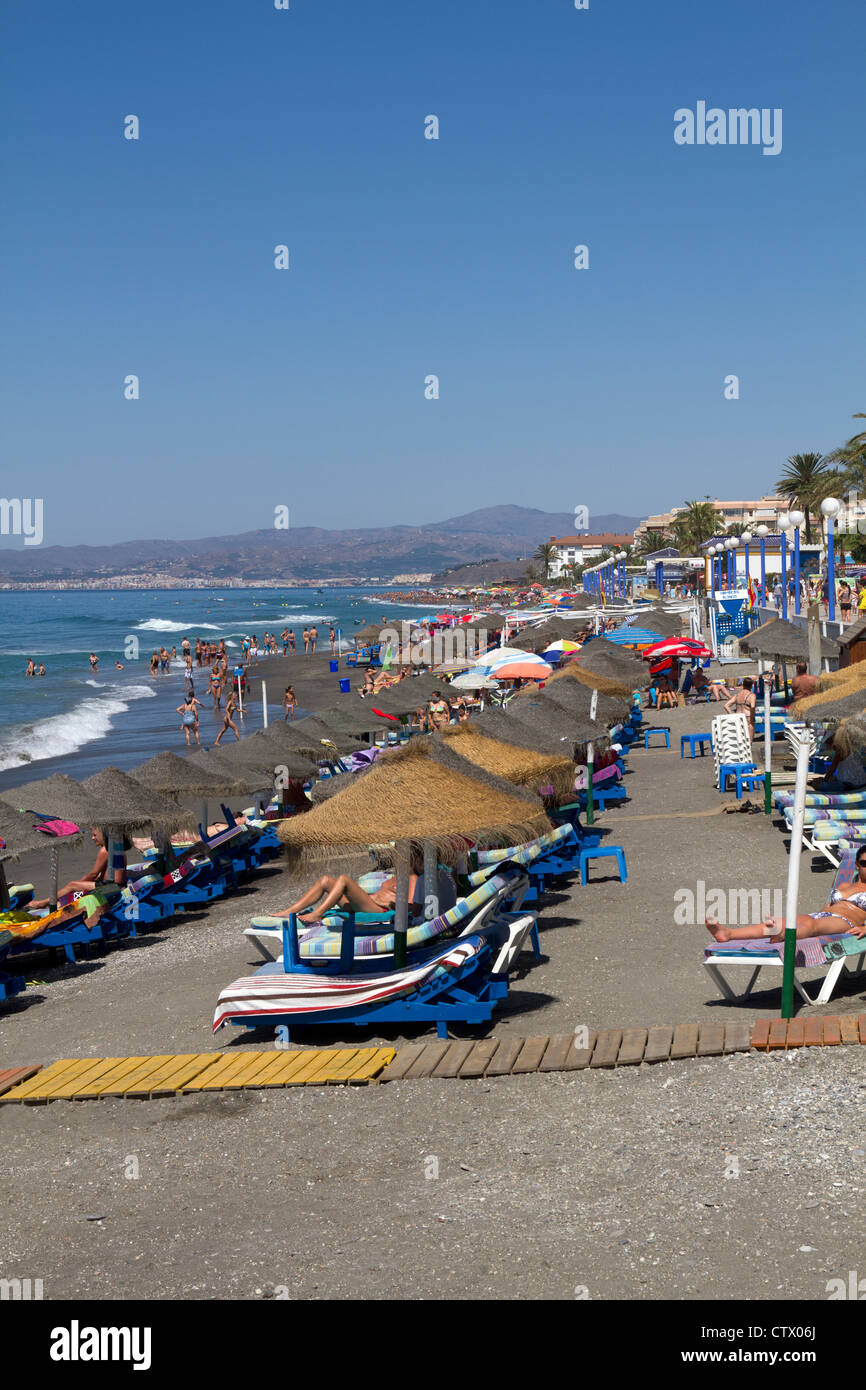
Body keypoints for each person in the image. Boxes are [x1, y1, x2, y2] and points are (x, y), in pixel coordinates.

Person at [706, 843, 866, 945]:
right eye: (865, 863)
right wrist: (818, 914)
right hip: (822, 916)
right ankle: (728, 933)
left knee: (811, 926)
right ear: (857, 865)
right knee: (783, 921)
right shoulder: (845, 884)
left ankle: (784, 937)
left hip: (847, 922)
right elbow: (828, 906)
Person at [282, 852, 424, 925]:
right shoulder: (399, 875)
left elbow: (411, 908)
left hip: (377, 908)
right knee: (325, 880)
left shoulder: (413, 878)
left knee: (344, 880)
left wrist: (393, 904)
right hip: (365, 903)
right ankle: (290, 911)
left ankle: (318, 913)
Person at [30, 827, 125, 909]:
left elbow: (93, 874)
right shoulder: (118, 848)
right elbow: (108, 871)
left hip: (110, 887)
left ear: (103, 835)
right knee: (80, 883)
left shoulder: (105, 850)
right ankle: (56, 903)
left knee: (72, 885)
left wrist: (80, 884)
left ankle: (42, 903)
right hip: (116, 885)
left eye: (95, 835)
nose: (92, 838)